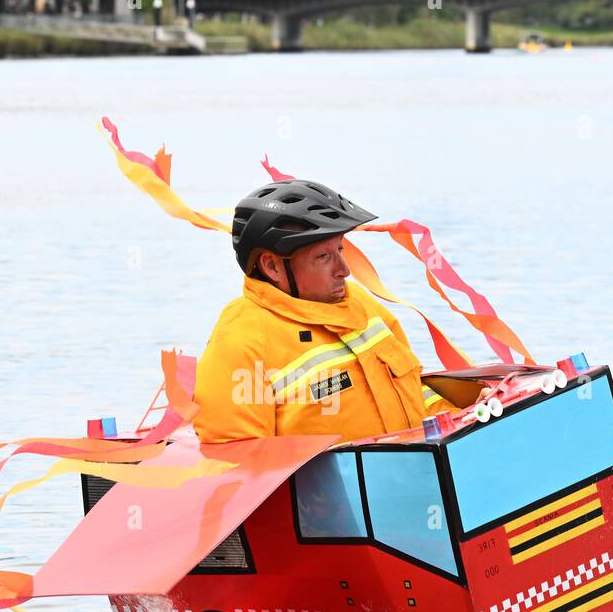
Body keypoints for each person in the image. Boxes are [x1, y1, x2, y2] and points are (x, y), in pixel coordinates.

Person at [192, 179, 453, 444]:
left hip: (413, 477)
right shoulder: (241, 342)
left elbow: (415, 394)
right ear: (272, 266)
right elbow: (240, 464)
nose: (345, 269)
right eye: (324, 257)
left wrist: (460, 419)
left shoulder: (361, 305)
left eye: (340, 249)